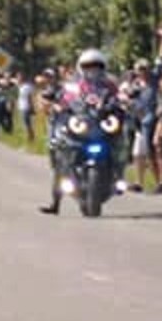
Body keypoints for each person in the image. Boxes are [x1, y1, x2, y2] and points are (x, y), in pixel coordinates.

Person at [39, 49, 121, 215]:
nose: (93, 70)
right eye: (88, 67)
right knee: (62, 159)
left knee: (120, 145)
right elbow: (60, 97)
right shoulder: (73, 85)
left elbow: (119, 100)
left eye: (97, 67)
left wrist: (122, 105)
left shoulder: (110, 85)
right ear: (81, 67)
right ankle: (55, 203)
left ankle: (117, 176)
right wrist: (55, 102)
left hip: (100, 126)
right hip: (79, 127)